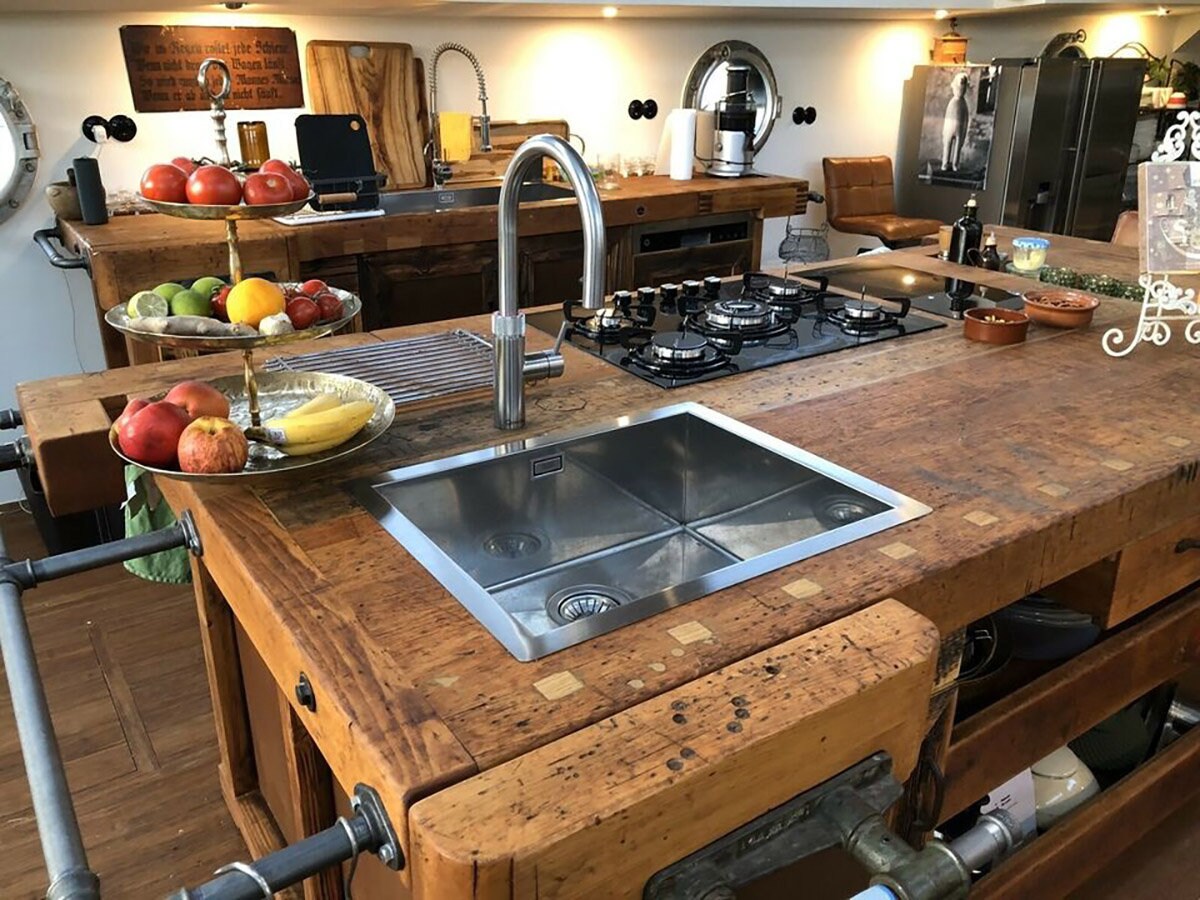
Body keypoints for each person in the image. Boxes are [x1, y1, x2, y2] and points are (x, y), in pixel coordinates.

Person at [941, 71, 971, 172]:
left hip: (960, 128)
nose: (960, 91)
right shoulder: (952, 103)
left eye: (963, 89)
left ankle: (955, 164)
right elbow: (947, 117)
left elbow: (966, 118)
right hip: (950, 127)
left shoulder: (963, 104)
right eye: (959, 88)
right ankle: (945, 163)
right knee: (947, 144)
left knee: (957, 147)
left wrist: (964, 132)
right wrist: (944, 130)